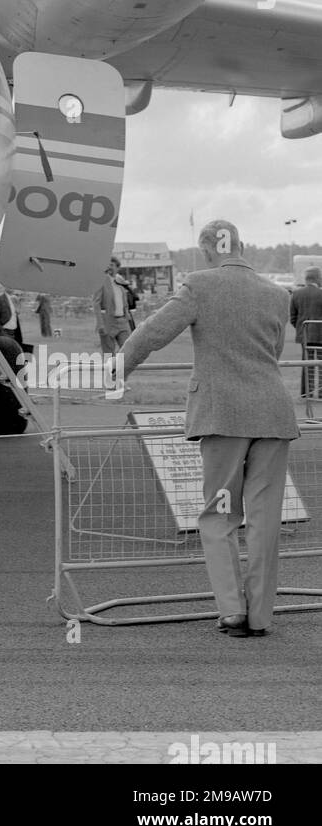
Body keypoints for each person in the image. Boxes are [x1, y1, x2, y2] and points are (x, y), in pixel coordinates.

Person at [119, 219, 300, 639]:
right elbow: (271, 351)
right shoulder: (277, 293)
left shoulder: (199, 284)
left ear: (206, 249)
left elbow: (153, 334)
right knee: (265, 518)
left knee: (219, 515)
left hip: (222, 415)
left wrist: (117, 371)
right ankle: (261, 615)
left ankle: (232, 610)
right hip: (272, 414)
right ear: (243, 244)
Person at [289, 267, 322, 399]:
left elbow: (292, 317)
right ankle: (320, 393)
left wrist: (301, 329)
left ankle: (306, 392)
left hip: (304, 335)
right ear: (317, 278)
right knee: (321, 364)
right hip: (320, 335)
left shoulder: (296, 294)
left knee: (306, 364)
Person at [95, 258, 133, 352]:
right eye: (108, 265)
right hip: (108, 322)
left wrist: (127, 314)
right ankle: (111, 367)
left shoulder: (120, 282)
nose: (109, 267)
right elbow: (96, 304)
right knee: (109, 354)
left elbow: (124, 300)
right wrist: (100, 324)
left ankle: (122, 367)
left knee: (127, 351)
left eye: (112, 265)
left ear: (117, 268)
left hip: (122, 321)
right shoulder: (100, 281)